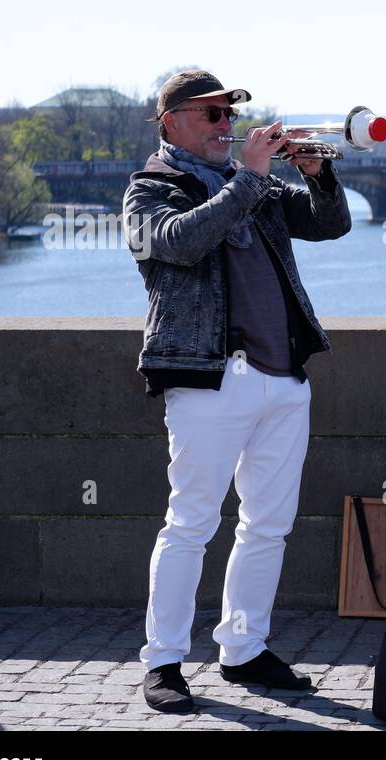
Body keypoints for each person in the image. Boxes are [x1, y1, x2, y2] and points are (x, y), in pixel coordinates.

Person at [122, 70, 351, 712]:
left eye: (228, 115)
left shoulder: (253, 185)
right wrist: (249, 178)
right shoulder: (150, 188)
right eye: (211, 115)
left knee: (268, 525)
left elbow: (329, 224)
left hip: (282, 376)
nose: (225, 125)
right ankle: (163, 660)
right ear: (169, 121)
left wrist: (315, 172)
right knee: (191, 523)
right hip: (206, 378)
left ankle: (243, 648)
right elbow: (179, 243)